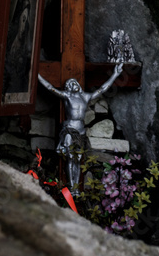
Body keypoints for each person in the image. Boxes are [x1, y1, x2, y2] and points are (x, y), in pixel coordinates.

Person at [38, 60, 124, 195]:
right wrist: (37, 75)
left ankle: (76, 188)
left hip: (81, 131)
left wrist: (115, 74)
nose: (73, 85)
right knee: (70, 157)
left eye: (74, 82)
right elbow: (50, 88)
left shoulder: (86, 96)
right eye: (70, 84)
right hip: (70, 129)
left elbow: (102, 89)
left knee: (78, 159)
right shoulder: (67, 96)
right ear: (68, 88)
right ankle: (72, 187)